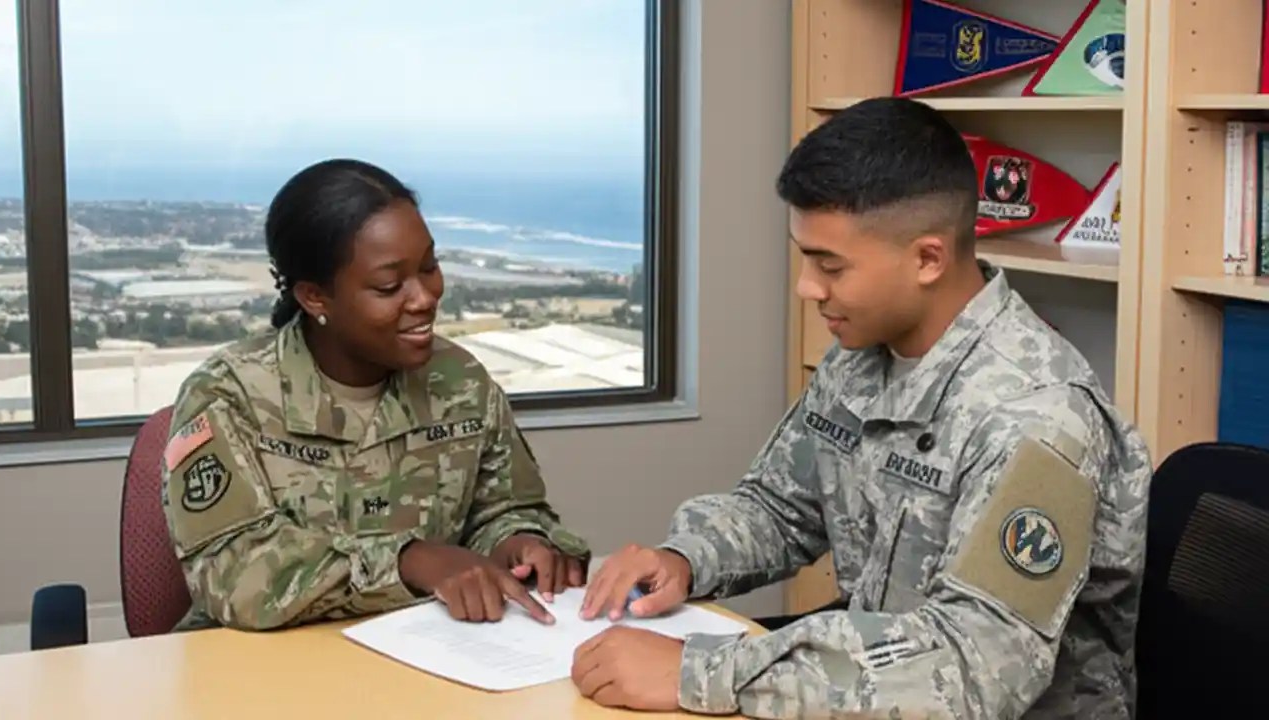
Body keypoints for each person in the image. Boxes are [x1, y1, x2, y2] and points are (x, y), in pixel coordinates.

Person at [571, 98, 1152, 718]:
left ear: (927, 258)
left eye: (831, 266)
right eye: (805, 257)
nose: (807, 287)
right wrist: (686, 559)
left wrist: (706, 673)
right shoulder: (863, 353)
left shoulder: (1040, 419)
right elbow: (781, 507)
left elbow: (974, 668)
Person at [160, 158, 590, 632]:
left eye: (430, 267)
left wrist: (519, 542)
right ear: (314, 297)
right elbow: (235, 576)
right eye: (389, 286)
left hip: (430, 656)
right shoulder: (229, 396)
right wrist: (409, 562)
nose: (424, 297)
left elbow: (506, 509)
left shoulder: (462, 381)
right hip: (259, 672)